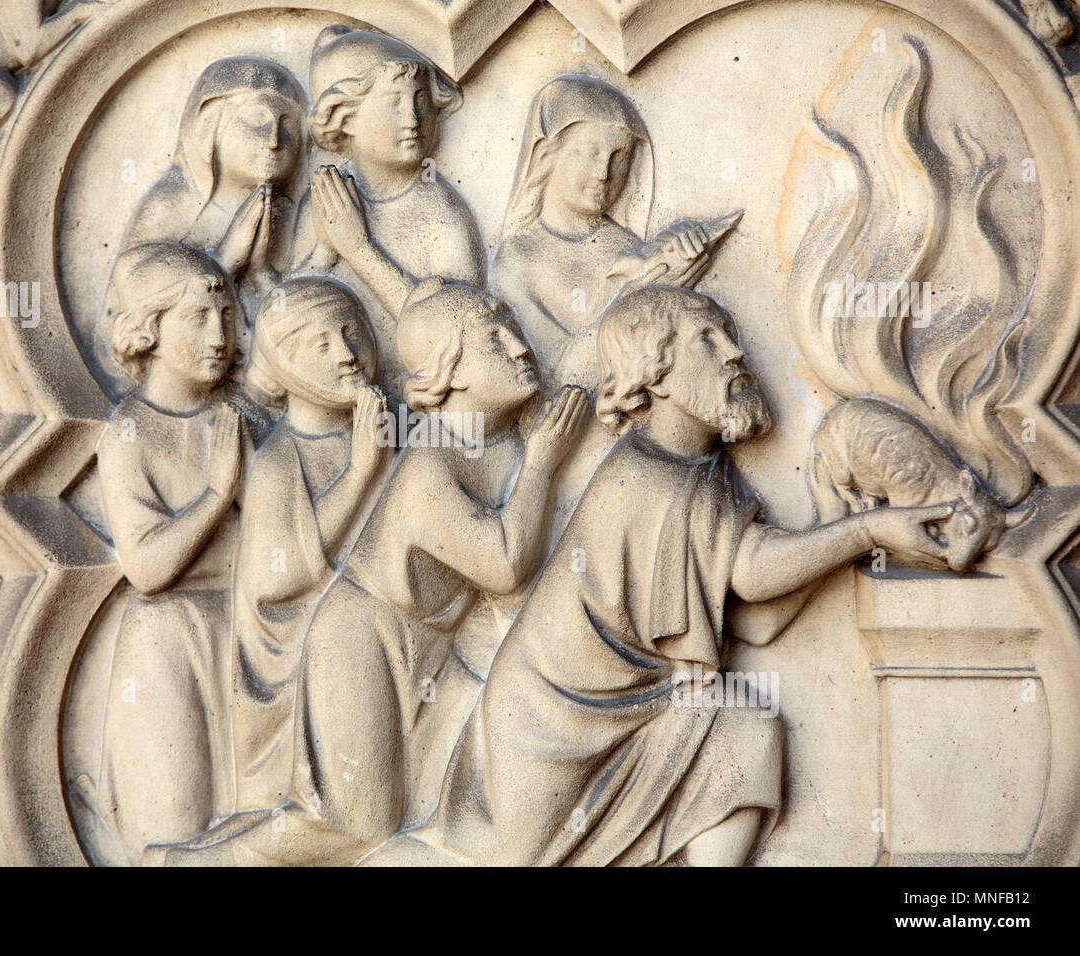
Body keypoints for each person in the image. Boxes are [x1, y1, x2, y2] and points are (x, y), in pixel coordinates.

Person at [380, 284, 954, 866]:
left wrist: (840, 526)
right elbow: (754, 574)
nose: (734, 352)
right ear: (654, 375)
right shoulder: (645, 477)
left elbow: (753, 619)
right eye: (708, 339)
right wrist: (865, 533)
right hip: (553, 739)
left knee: (742, 735)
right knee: (739, 735)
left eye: (729, 334)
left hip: (631, 713)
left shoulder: (701, 471)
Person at [148, 279, 589, 865]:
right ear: (449, 370)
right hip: (362, 641)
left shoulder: (496, 440)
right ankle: (192, 864)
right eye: (493, 338)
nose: (518, 345)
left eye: (512, 328)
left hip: (432, 645)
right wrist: (541, 467)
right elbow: (505, 564)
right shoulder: (430, 466)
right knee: (358, 824)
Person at [93, 243, 254, 865]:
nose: (219, 334)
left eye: (227, 316)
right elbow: (148, 568)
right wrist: (217, 495)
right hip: (166, 645)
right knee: (176, 831)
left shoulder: (238, 421)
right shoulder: (130, 431)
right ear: (148, 330)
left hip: (246, 636)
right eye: (197, 317)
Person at [231, 277, 390, 810]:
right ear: (286, 366)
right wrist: (360, 473)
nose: (348, 354)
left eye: (352, 333)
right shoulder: (280, 461)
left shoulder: (380, 430)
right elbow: (279, 576)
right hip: (299, 674)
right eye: (322, 345)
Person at [290, 25, 487, 400]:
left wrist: (358, 249)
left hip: (427, 405)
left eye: (420, 100)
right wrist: (323, 253)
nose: (412, 118)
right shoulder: (327, 196)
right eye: (393, 102)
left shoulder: (440, 210)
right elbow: (294, 313)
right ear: (344, 117)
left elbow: (461, 337)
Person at [494, 73, 712, 383]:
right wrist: (640, 293)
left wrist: (678, 246)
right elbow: (558, 379)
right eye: (589, 152)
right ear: (548, 155)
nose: (603, 172)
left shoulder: (625, 243)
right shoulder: (518, 260)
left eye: (619, 156)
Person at [111, 55, 307, 374]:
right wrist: (226, 260)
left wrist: (261, 275)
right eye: (258, 122)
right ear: (210, 126)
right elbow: (135, 301)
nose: (274, 140)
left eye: (287, 126)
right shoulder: (173, 203)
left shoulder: (292, 213)